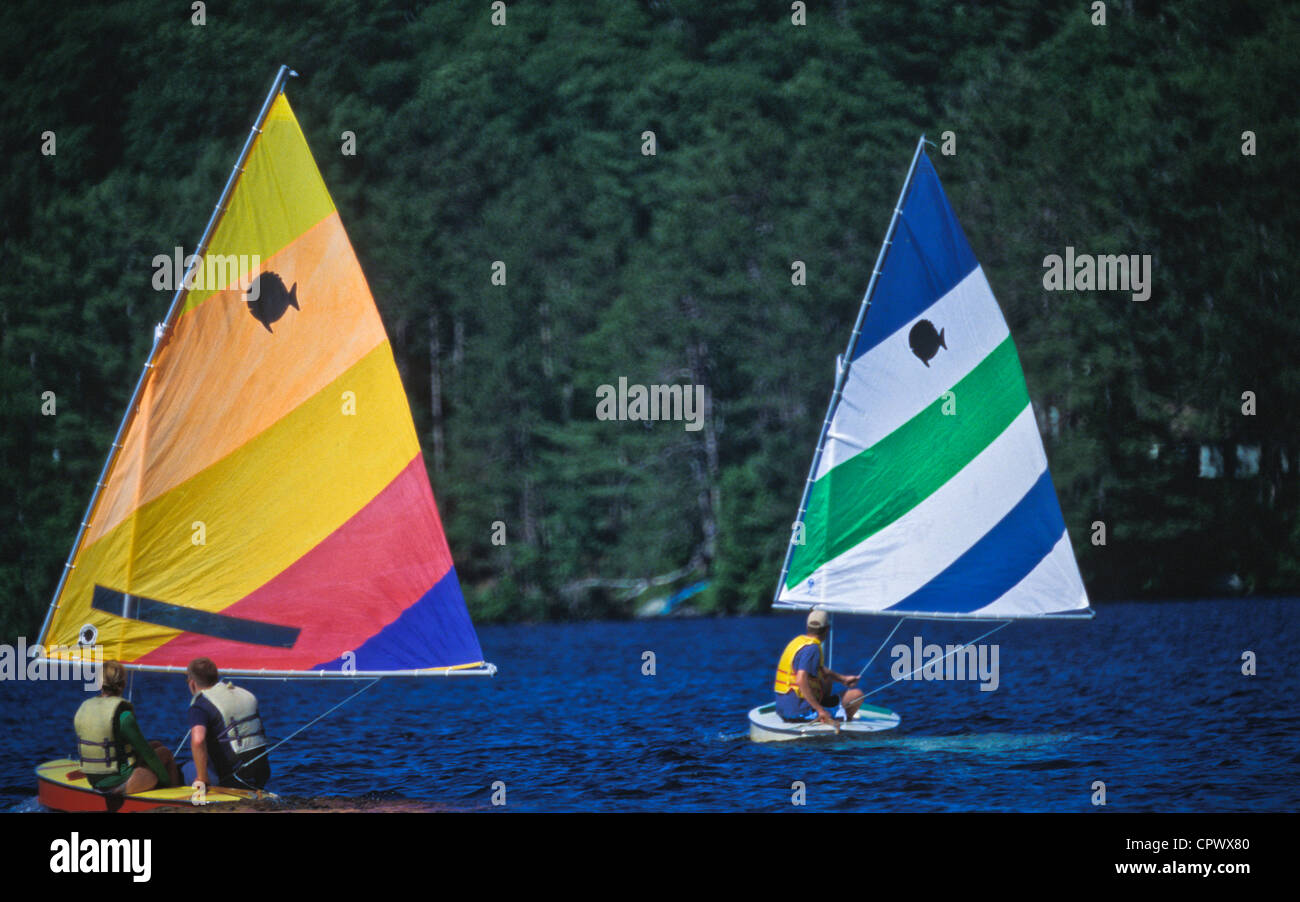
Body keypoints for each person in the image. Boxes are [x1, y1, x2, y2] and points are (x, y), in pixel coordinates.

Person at [74, 660, 181, 793]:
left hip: (94, 780)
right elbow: (148, 754)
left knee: (156, 744)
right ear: (123, 684)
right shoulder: (123, 716)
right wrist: (164, 779)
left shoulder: (85, 708)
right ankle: (174, 792)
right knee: (164, 752)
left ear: (98, 683)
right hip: (117, 786)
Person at [185, 657, 271, 790]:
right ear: (216, 676)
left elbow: (198, 740)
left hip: (231, 779)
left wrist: (202, 778)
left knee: (184, 769)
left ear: (191, 683)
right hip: (261, 774)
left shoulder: (200, 705)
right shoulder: (244, 694)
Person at [773, 608, 865, 725]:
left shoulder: (797, 642)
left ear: (808, 627)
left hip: (783, 711)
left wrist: (843, 679)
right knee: (856, 695)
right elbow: (801, 679)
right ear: (827, 629)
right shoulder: (813, 649)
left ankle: (825, 709)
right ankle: (841, 720)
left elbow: (821, 670)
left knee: (826, 679)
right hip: (800, 713)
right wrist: (820, 710)